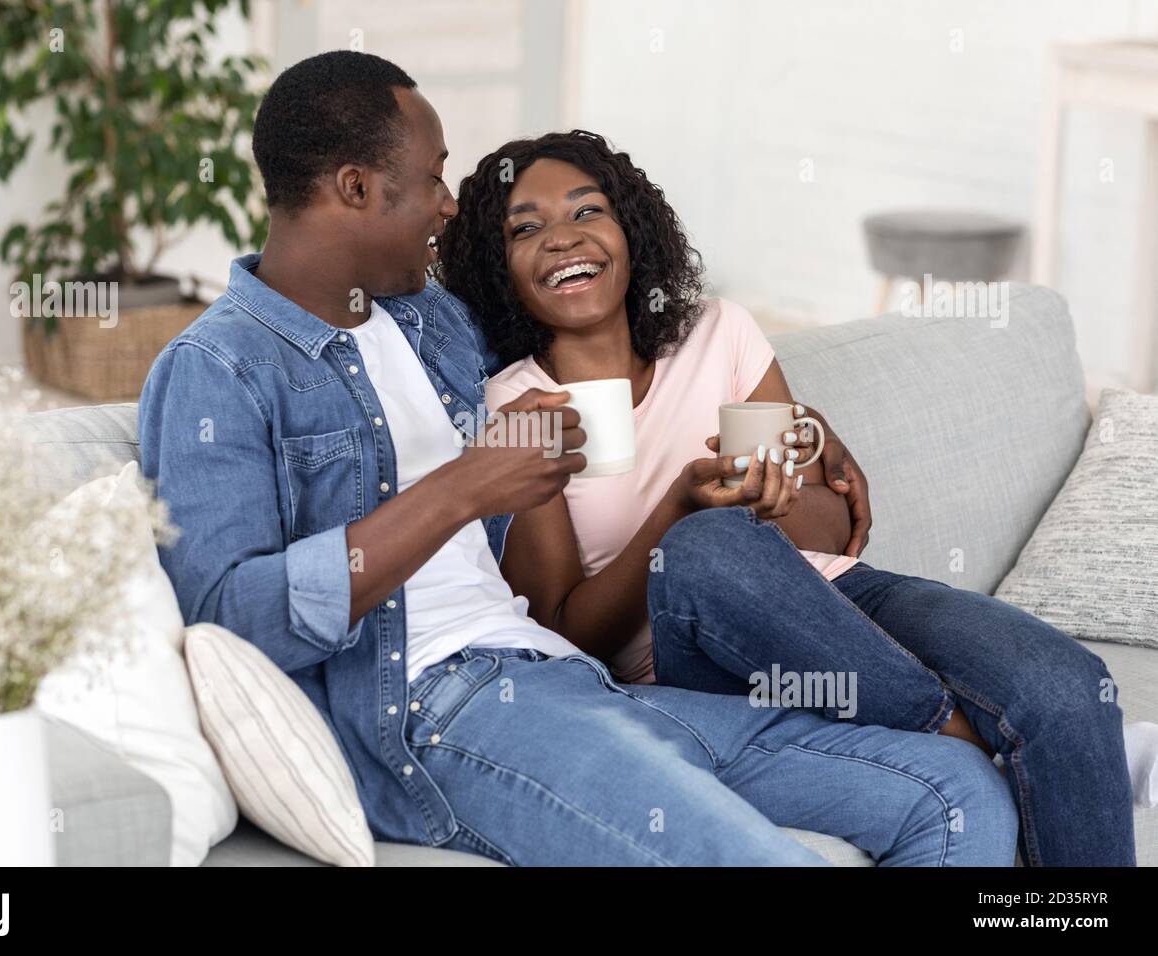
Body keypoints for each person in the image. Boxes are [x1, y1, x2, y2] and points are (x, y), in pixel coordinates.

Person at [139, 51, 1018, 866]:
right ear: (358, 186)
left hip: (565, 679)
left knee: (954, 793)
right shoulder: (216, 372)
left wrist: (804, 424)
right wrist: (457, 491)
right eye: (436, 177)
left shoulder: (432, 321)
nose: (450, 205)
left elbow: (581, 317)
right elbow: (227, 620)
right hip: (432, 712)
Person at [437, 129, 1136, 866]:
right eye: (526, 228)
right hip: (694, 664)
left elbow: (828, 541)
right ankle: (953, 729)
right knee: (704, 548)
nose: (562, 239)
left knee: (1067, 687)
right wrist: (679, 510)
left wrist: (779, 492)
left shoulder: (719, 333)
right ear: (498, 267)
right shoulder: (514, 409)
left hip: (834, 601)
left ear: (629, 230)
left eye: (587, 212)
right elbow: (566, 635)